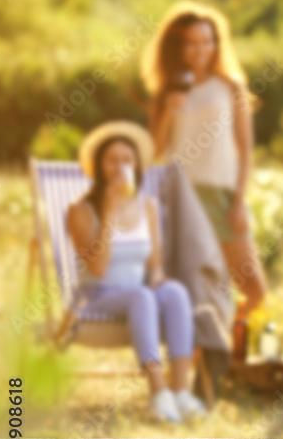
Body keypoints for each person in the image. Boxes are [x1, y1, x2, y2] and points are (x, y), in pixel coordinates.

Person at [67, 121, 208, 423]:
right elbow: (98, 268)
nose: (120, 167)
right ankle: (159, 393)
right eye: (112, 160)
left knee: (175, 291)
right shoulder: (80, 211)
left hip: (137, 293)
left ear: (137, 166)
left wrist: (158, 281)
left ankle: (180, 392)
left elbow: (154, 266)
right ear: (99, 166)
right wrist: (109, 208)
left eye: (127, 160)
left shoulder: (148, 207)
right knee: (141, 297)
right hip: (96, 296)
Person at [142, 0, 266, 317]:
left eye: (208, 41)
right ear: (177, 47)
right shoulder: (166, 91)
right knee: (192, 288)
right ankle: (200, 346)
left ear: (217, 44)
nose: (201, 50)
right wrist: (169, 111)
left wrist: (239, 201)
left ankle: (230, 338)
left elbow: (245, 148)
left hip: (221, 196)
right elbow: (154, 151)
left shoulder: (231, 87)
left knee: (254, 290)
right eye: (192, 43)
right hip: (180, 195)